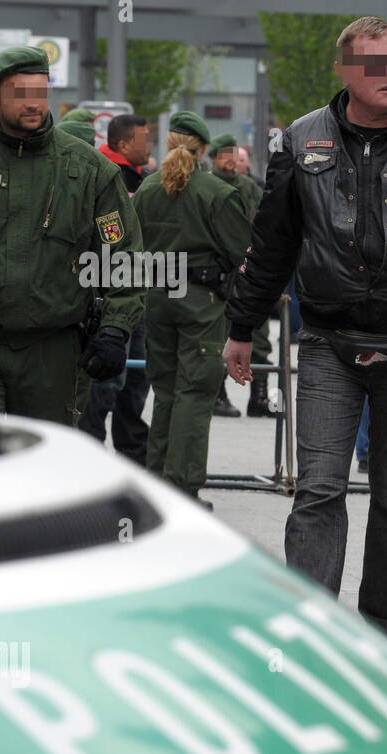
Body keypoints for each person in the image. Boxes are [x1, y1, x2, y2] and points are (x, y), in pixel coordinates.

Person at [224, 16, 387, 648]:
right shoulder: (300, 140)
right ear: (345, 72)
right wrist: (241, 325)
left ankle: (385, 636)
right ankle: (310, 636)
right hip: (326, 342)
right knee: (317, 491)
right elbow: (273, 243)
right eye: (374, 65)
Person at [0, 46, 142, 424]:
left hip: (54, 350)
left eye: (40, 93)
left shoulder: (91, 172)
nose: (33, 104)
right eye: (20, 94)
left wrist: (114, 329)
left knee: (46, 469)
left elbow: (122, 258)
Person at [133, 112, 250, 507]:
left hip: (157, 298)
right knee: (195, 394)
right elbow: (241, 251)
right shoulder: (216, 193)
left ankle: (158, 483)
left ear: (168, 144)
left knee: (165, 391)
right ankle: (181, 488)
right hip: (201, 301)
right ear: (203, 149)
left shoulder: (147, 189)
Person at [80, 112, 153, 463]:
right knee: (105, 383)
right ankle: (92, 461)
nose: (151, 145)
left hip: (135, 293)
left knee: (135, 381)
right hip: (104, 293)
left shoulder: (146, 178)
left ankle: (131, 463)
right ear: (123, 143)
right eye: (145, 139)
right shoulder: (103, 178)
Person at [209, 133, 275, 418]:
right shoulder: (207, 187)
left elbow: (266, 224)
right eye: (224, 154)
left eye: (233, 154)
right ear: (212, 158)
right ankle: (218, 392)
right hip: (217, 275)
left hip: (248, 273)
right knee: (217, 338)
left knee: (259, 338)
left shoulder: (249, 187)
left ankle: (258, 396)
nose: (230, 160)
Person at [101, 114, 149, 193]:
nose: (149, 146)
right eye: (143, 140)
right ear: (123, 146)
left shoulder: (141, 174)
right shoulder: (107, 179)